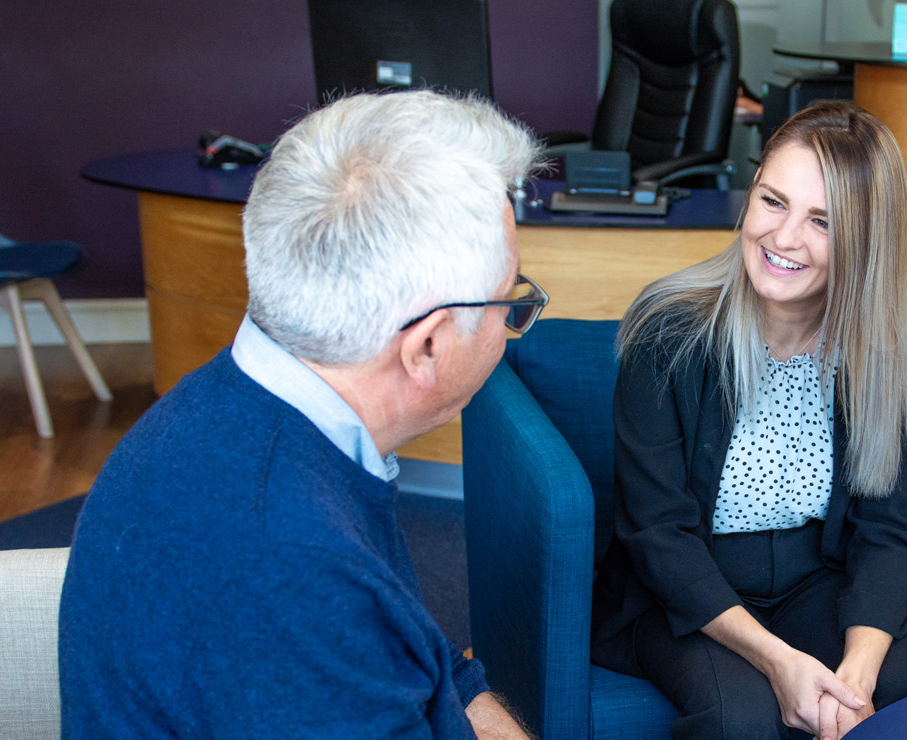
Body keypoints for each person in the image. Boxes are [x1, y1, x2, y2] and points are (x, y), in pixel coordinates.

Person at [59, 91, 547, 739]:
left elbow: (431, 666)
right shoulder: (289, 564)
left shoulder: (274, 416)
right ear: (426, 347)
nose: (513, 320)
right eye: (509, 300)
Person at [591, 101, 907, 740]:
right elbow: (656, 533)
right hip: (692, 586)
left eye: (822, 220)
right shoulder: (669, 333)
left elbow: (888, 527)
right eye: (772, 201)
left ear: (866, 239)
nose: (784, 238)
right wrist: (779, 660)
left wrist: (857, 675)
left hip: (820, 573)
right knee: (742, 719)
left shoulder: (892, 346)